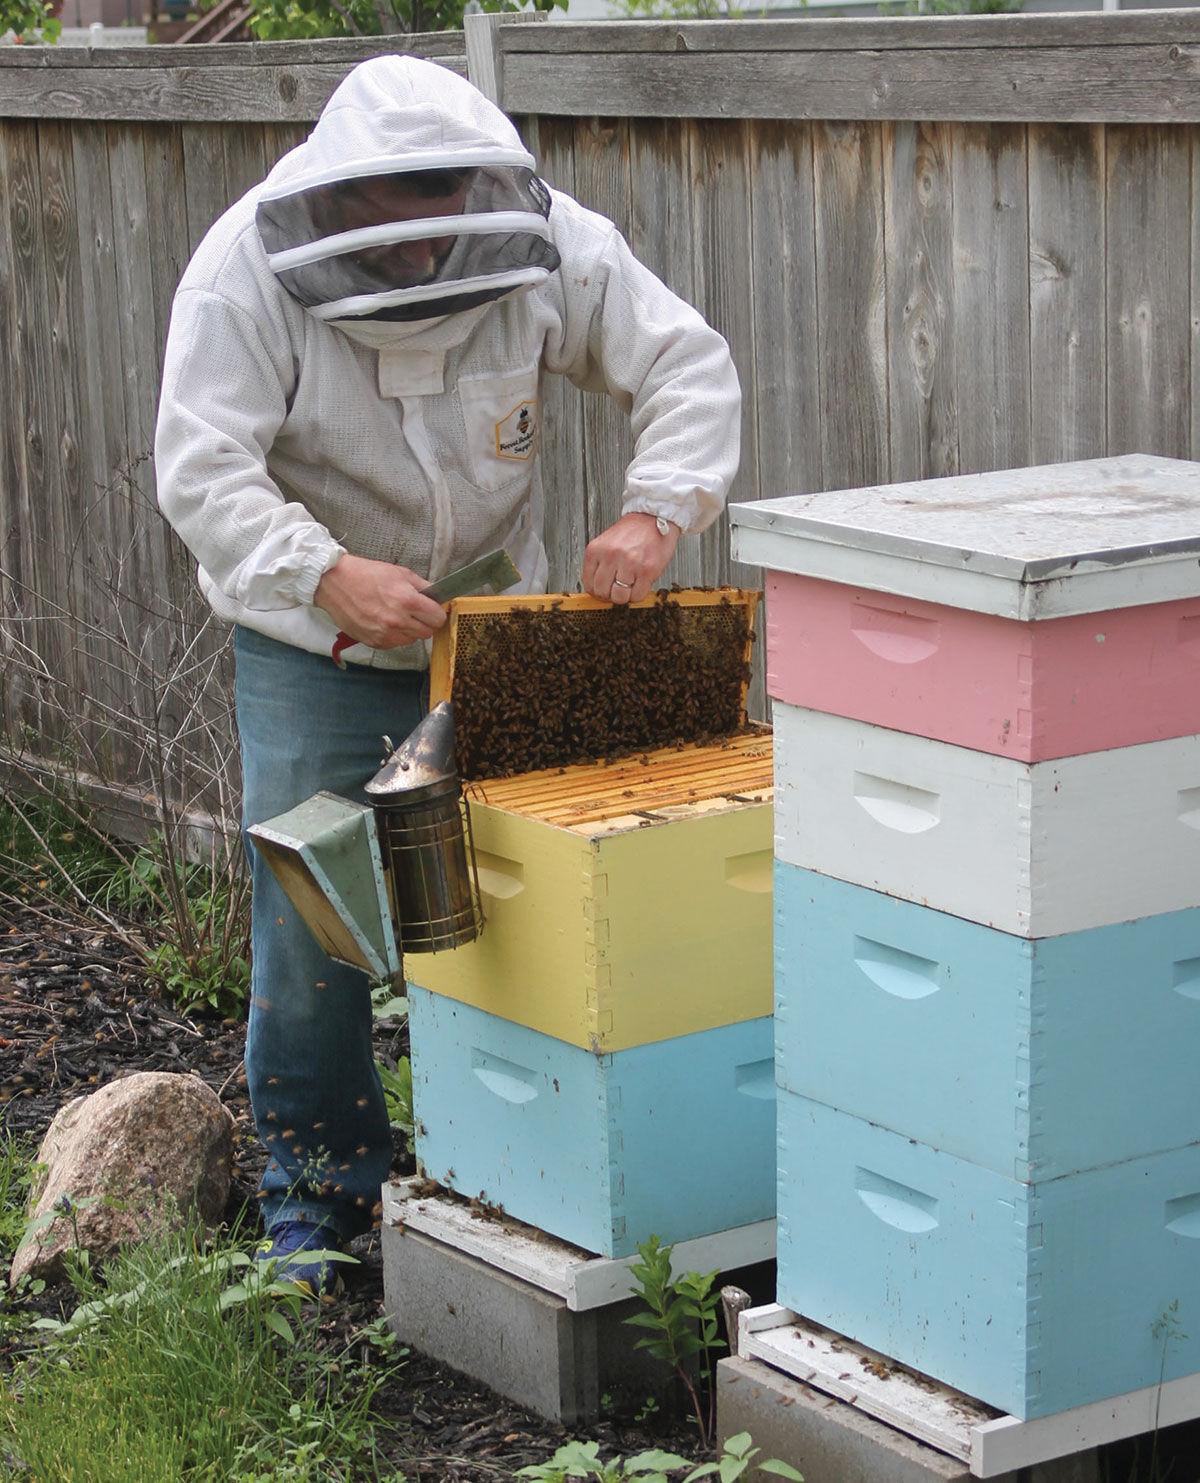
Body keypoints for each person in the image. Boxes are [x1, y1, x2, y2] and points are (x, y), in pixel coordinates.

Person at [154, 54, 740, 1294]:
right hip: (318, 643)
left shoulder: (549, 245)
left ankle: (513, 1167)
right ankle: (319, 1191)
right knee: (313, 924)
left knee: (513, 903)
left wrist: (654, 516)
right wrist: (323, 572)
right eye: (394, 221)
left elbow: (683, 362)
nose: (423, 253)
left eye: (442, 213)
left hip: (490, 625)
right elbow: (200, 470)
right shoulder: (241, 279)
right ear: (342, 200)